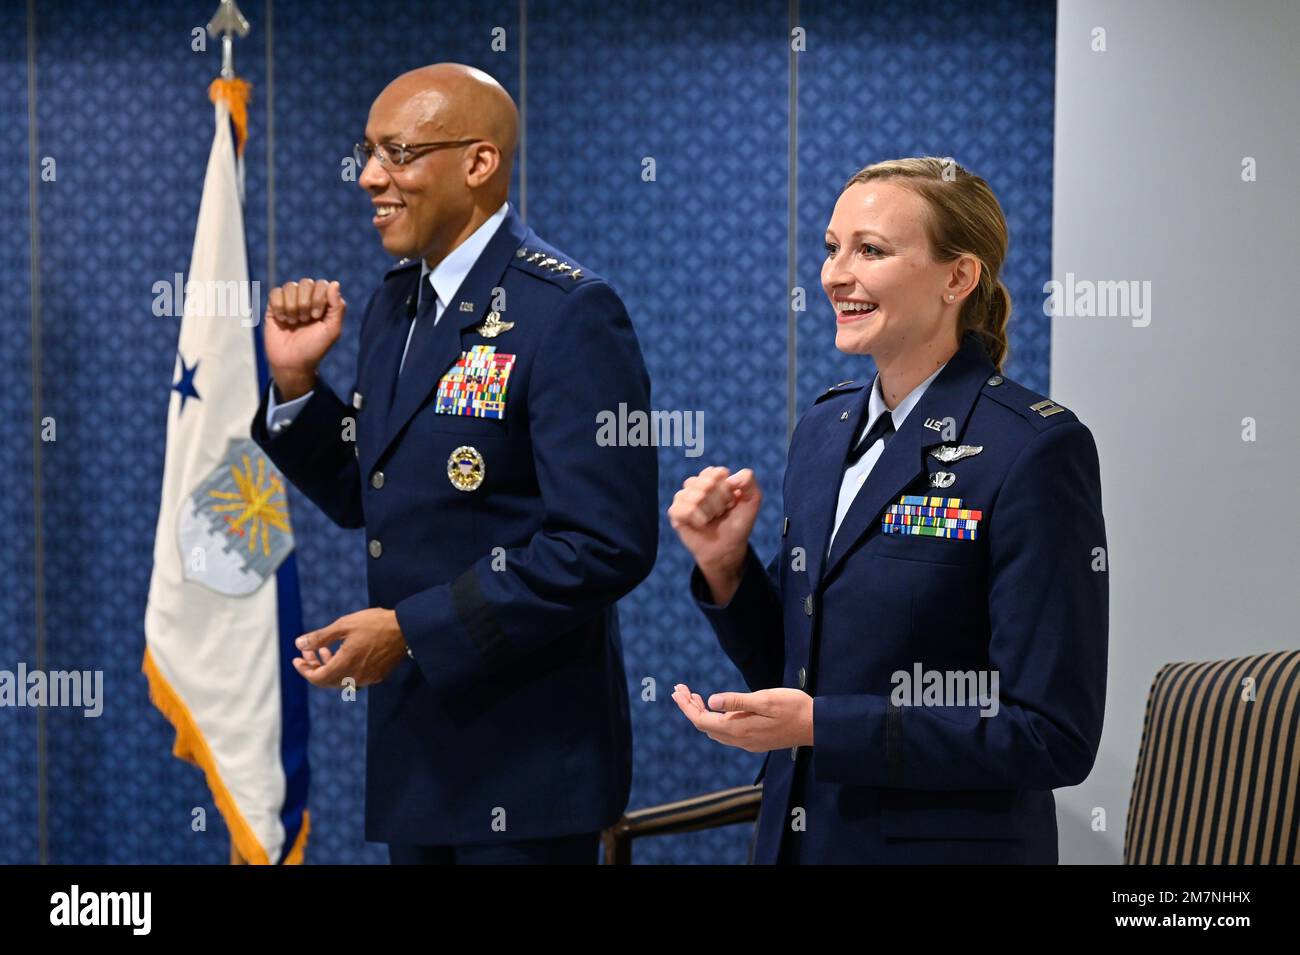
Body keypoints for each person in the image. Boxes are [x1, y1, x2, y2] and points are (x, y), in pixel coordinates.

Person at [251, 63, 658, 864]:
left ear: (479, 163)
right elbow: (375, 489)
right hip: (420, 758)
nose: (371, 177)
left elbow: (607, 543)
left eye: (398, 153)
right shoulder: (395, 300)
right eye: (367, 152)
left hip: (529, 763)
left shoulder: (569, 310)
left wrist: (410, 629)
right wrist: (298, 384)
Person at [667, 157, 1107, 864]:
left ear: (957, 278)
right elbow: (794, 667)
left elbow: (1050, 734)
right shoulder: (823, 428)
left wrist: (824, 726)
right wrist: (725, 567)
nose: (836, 275)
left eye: (870, 250)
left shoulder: (1035, 448)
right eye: (831, 248)